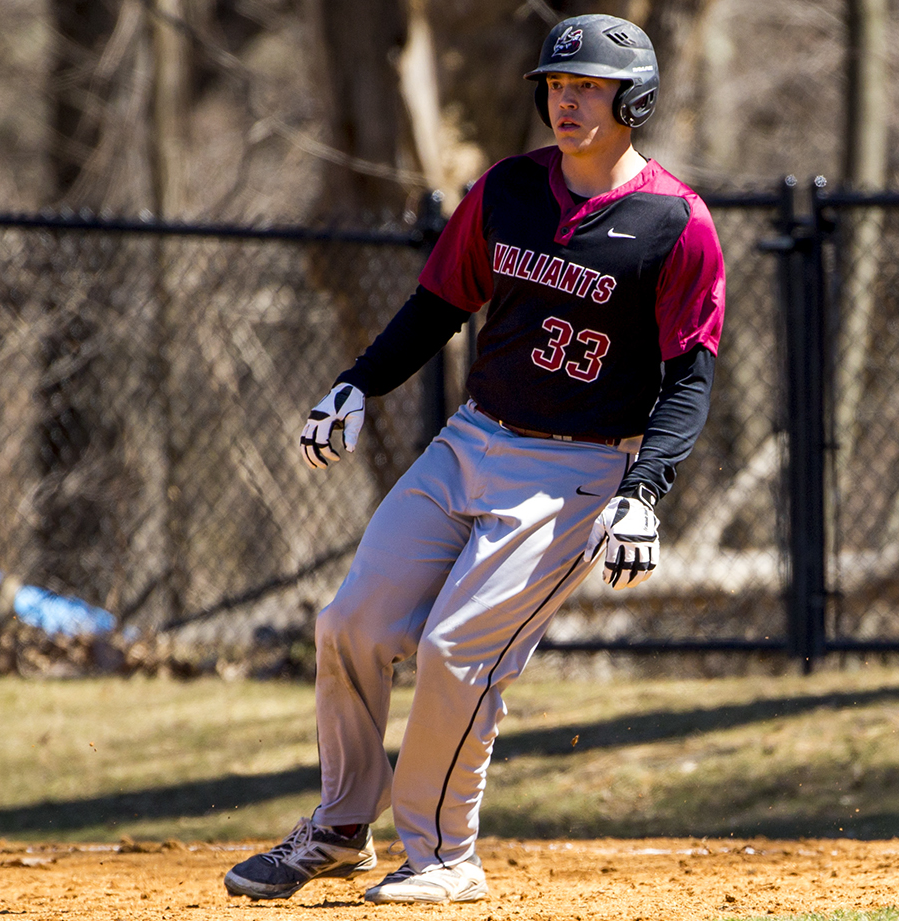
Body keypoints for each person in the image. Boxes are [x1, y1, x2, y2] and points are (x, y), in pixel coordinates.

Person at [223, 12, 725, 905]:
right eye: (557, 86)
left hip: (575, 473)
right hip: (471, 441)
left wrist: (646, 492)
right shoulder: (507, 190)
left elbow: (689, 378)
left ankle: (446, 855)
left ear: (635, 99)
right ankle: (342, 827)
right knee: (352, 625)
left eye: (589, 88)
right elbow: (436, 306)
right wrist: (356, 383)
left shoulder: (674, 223)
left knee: (459, 651)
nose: (565, 102)